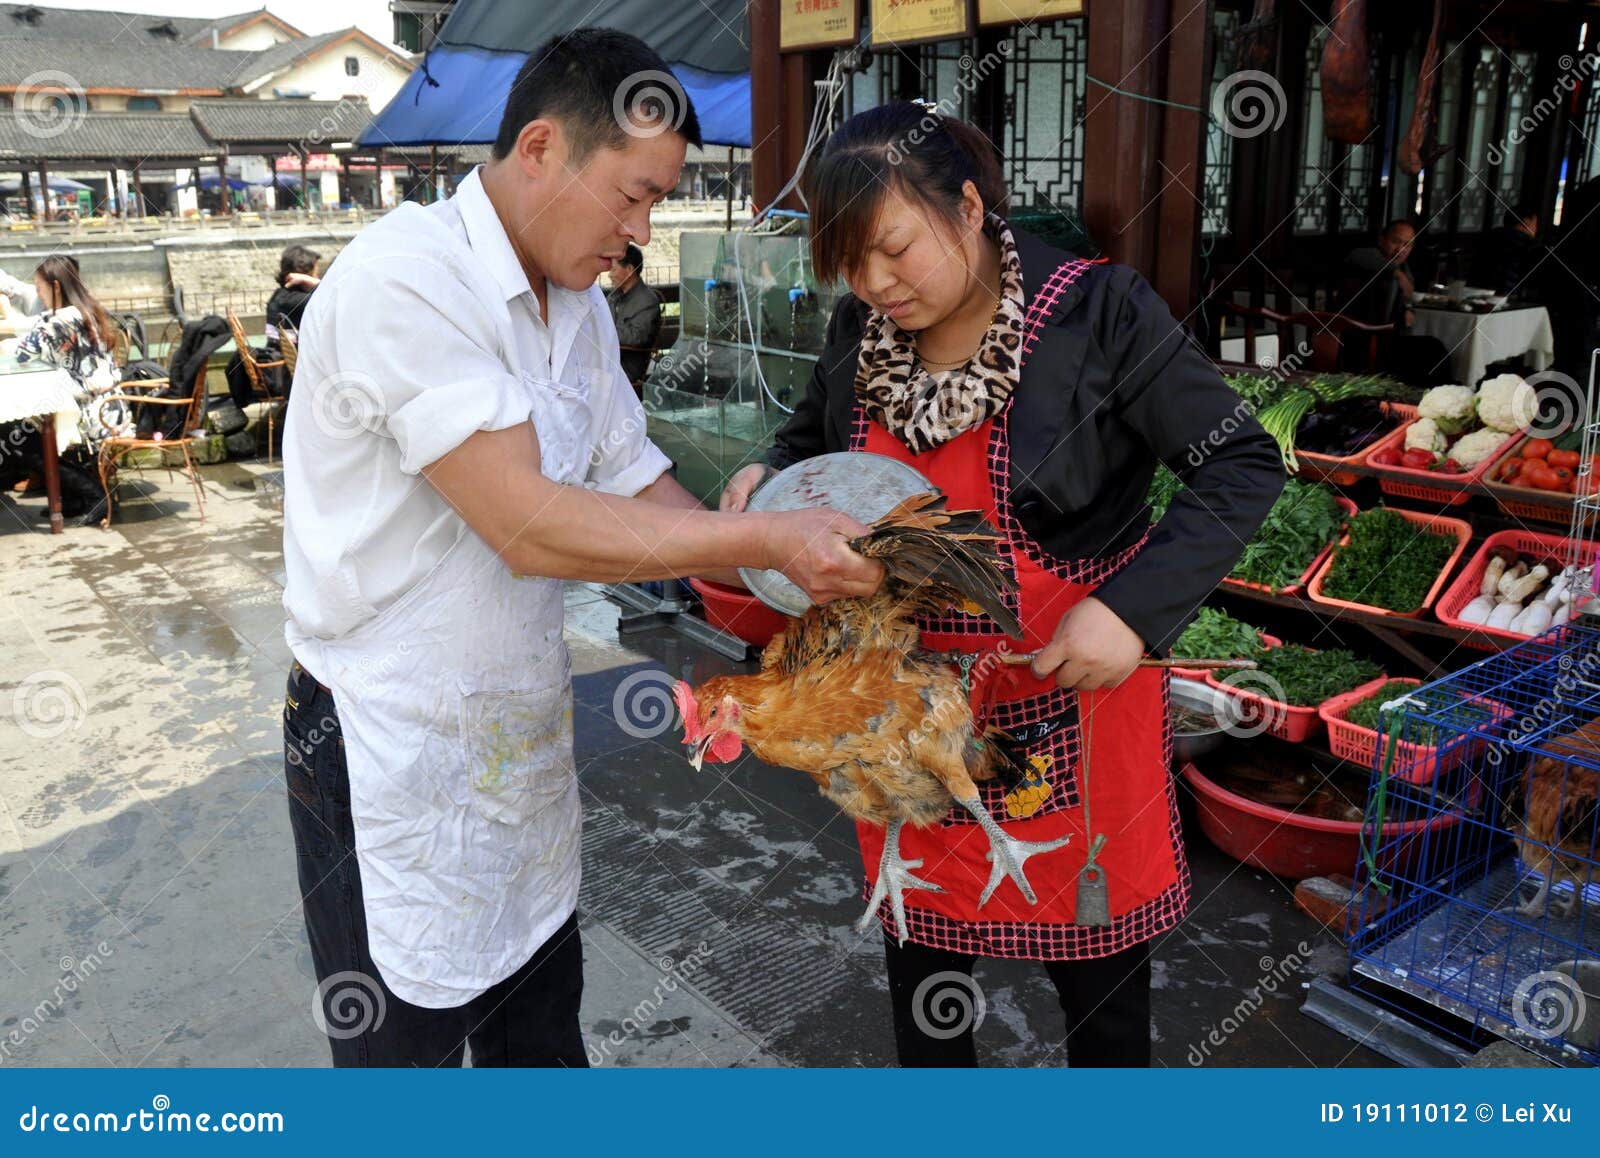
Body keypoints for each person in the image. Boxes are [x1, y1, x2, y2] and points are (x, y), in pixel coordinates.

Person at [279, 27, 881, 1068]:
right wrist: (759, 532)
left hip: (514, 728)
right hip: (385, 739)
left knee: (540, 1030)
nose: (639, 232)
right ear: (543, 148)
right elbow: (524, 523)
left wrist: (783, 566)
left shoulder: (578, 310)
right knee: (400, 1061)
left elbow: (635, 485)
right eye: (634, 194)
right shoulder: (405, 281)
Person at [721, 102, 1284, 1067]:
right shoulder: (863, 329)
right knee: (929, 994)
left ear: (971, 208)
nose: (873, 283)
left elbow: (1239, 463)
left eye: (894, 249)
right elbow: (810, 441)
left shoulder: (1099, 312)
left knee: (1101, 1006)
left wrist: (1132, 615)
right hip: (911, 727)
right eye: (850, 262)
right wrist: (763, 481)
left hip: (1076, 701)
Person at [1342, 220, 1451, 384]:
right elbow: (1356, 256)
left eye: (1407, 245)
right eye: (1395, 242)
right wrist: (1397, 274)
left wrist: (1408, 309)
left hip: (1386, 339)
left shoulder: (1405, 271)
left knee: (1434, 349)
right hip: (1357, 340)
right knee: (1429, 352)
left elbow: (1407, 302)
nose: (1401, 249)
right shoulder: (1367, 259)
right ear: (1381, 240)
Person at [604, 242, 661, 388]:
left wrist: (602, 332)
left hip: (627, 366)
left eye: (614, 269)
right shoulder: (614, 296)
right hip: (607, 360)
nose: (609, 275)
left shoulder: (648, 301)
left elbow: (637, 337)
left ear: (629, 269)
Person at [1476, 203, 1541, 298]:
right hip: (1511, 299)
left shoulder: (1487, 239)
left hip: (1478, 296)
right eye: (1535, 224)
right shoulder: (1529, 245)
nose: (1536, 228)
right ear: (1526, 222)